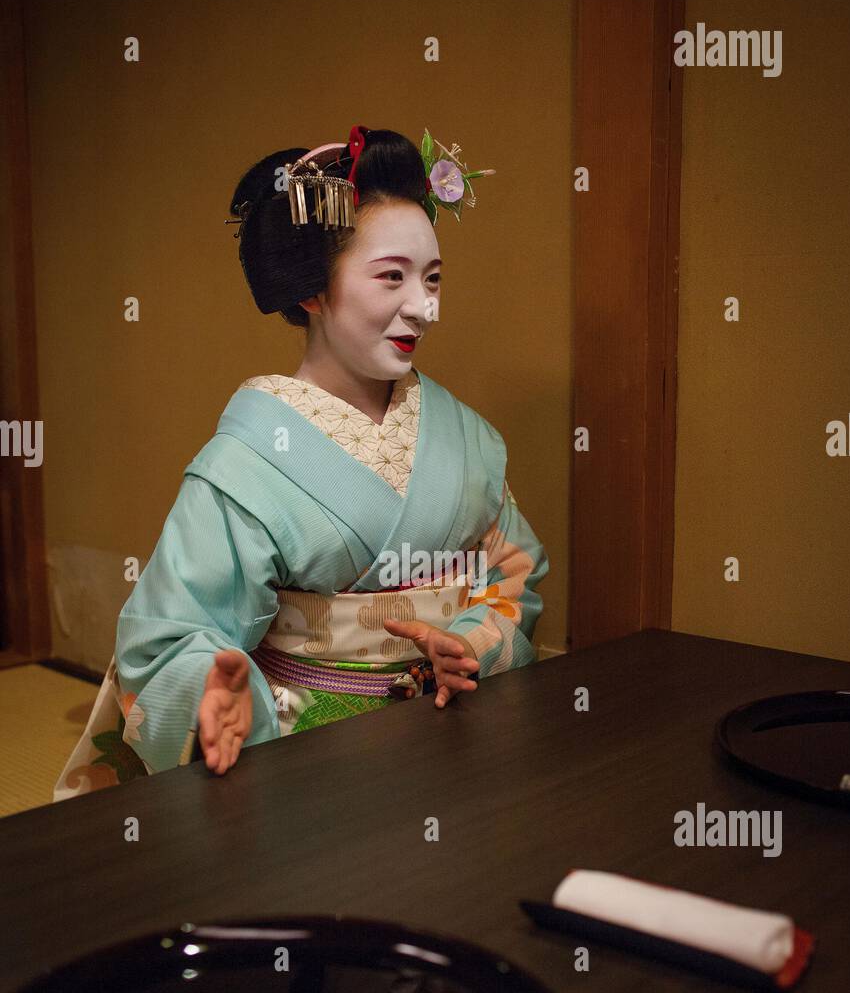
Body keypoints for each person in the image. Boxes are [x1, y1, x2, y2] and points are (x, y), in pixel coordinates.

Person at [53, 125, 549, 798]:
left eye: (432, 279)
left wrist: (466, 644)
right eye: (391, 277)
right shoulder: (247, 465)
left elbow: (515, 572)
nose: (422, 306)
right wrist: (212, 691)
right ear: (313, 290)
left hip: (449, 736)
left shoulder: (463, 439)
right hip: (304, 765)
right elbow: (168, 633)